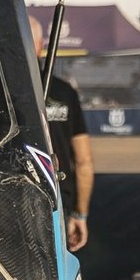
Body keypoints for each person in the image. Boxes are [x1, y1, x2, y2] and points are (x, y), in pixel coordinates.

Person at [43, 69, 95, 253]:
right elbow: (83, 161)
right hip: (56, 198)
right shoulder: (63, 90)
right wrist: (80, 214)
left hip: (4, 193)